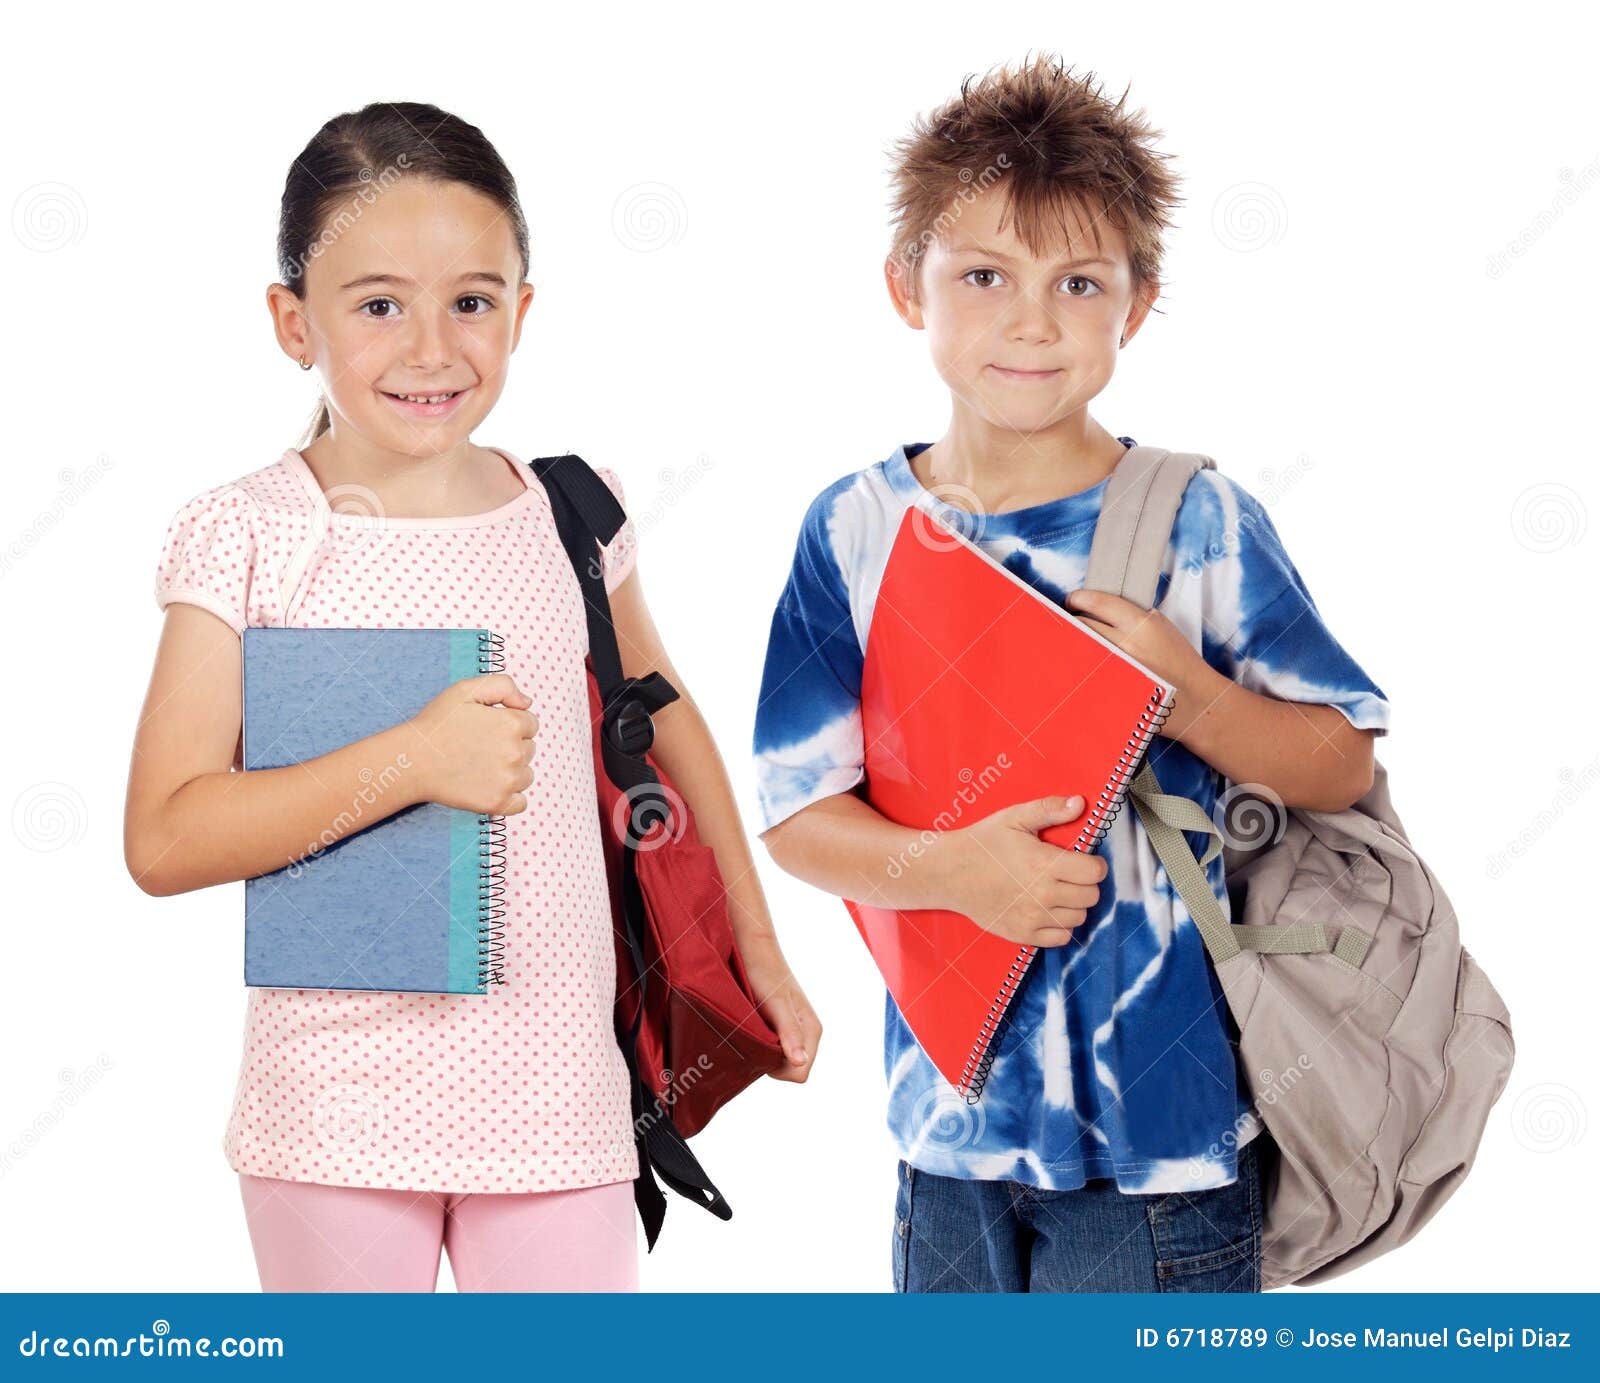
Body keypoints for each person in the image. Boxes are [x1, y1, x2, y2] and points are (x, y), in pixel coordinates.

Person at [124, 101, 819, 1293]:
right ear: (294, 322)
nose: (433, 348)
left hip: (561, 1095)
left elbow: (660, 713)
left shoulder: (571, 510)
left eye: (473, 301)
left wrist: (761, 947)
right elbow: (166, 835)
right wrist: (418, 762)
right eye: (378, 303)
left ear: (524, 312)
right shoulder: (248, 532)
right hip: (332, 1114)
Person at [752, 55, 1389, 1293]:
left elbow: (1340, 762)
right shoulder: (855, 530)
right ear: (906, 289)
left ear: (1135, 306)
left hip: (1166, 1159)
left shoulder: (1200, 518)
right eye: (983, 276)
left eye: (1077, 282)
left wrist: (1187, 693)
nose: (1029, 320)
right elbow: (797, 815)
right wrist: (952, 874)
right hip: (947, 1137)